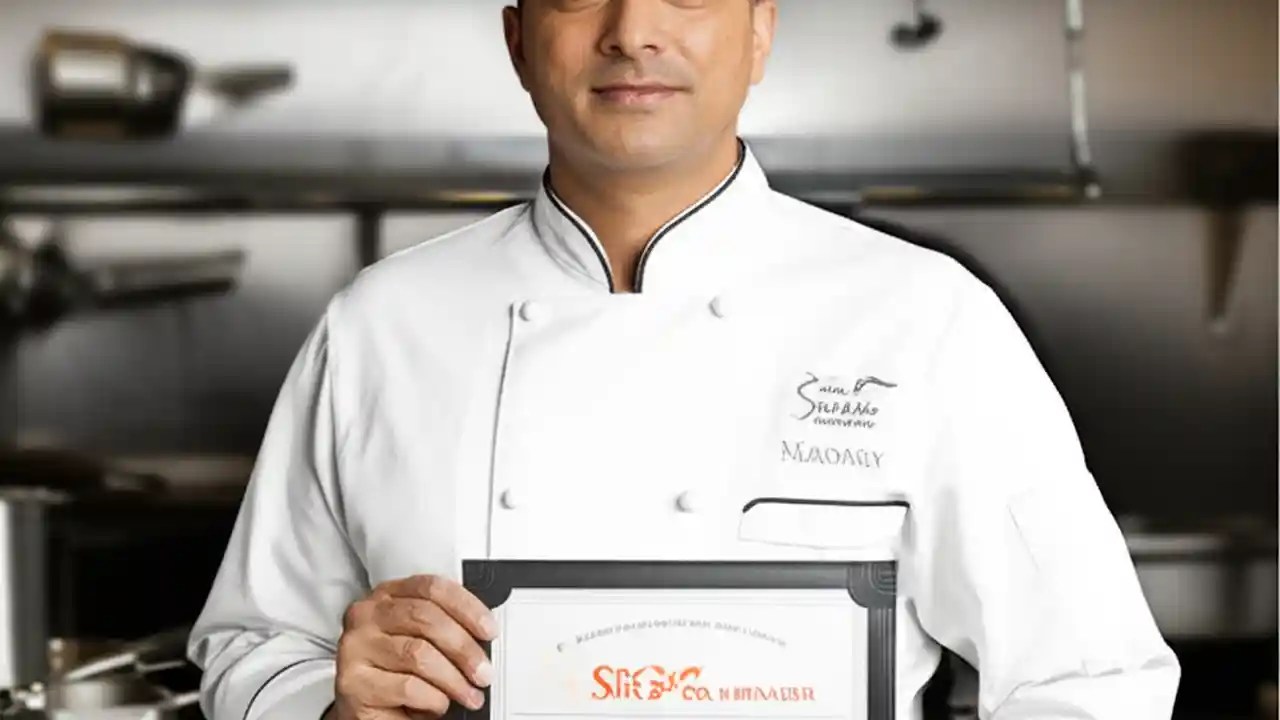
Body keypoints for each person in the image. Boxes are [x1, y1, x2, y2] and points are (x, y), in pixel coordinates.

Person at [186, 1, 1180, 718]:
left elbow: (1092, 681)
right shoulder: (381, 324)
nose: (632, 30)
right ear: (517, 39)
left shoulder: (922, 318)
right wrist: (331, 705)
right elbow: (253, 645)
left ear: (760, 31)